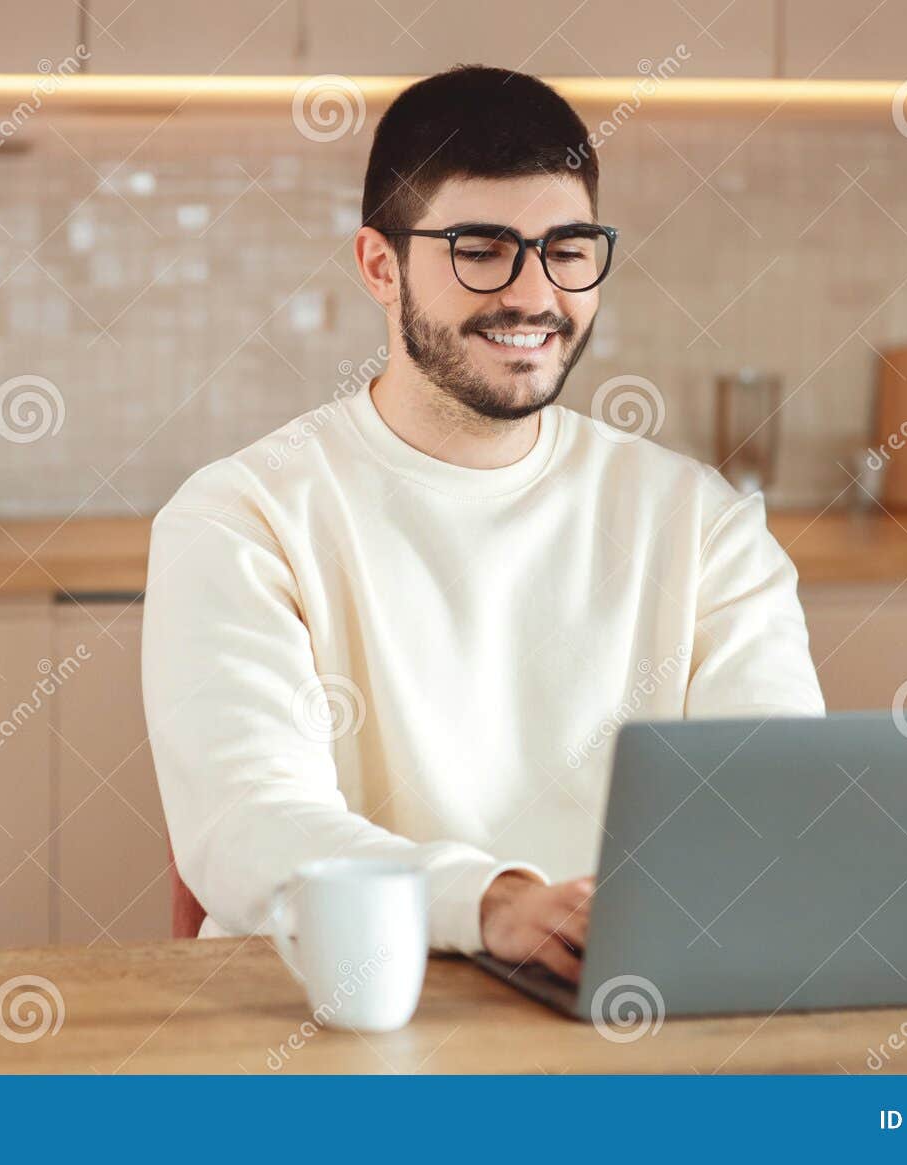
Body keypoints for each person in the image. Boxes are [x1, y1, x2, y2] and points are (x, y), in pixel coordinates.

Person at [141, 65, 824, 985]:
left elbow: (779, 807)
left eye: (568, 248)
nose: (534, 295)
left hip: (618, 1010)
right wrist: (495, 905)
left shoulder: (702, 524)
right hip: (337, 1016)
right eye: (481, 248)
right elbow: (247, 825)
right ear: (380, 266)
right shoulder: (244, 516)